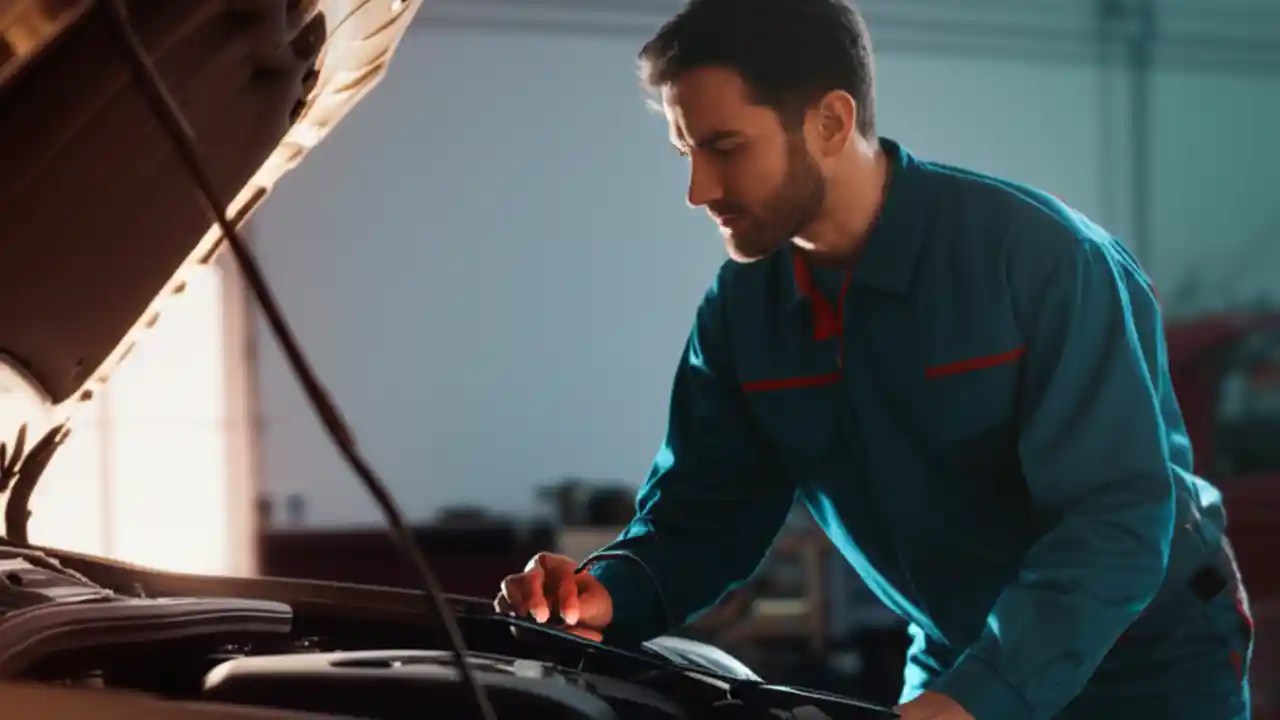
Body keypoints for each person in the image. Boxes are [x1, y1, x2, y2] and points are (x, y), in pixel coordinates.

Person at [494, 1, 1255, 718]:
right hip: (960, 654)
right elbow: (703, 514)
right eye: (687, 151)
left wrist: (975, 701)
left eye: (725, 148)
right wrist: (610, 593)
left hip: (1144, 660)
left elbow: (1116, 520)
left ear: (830, 120)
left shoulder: (1042, 262)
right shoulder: (743, 313)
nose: (699, 190)